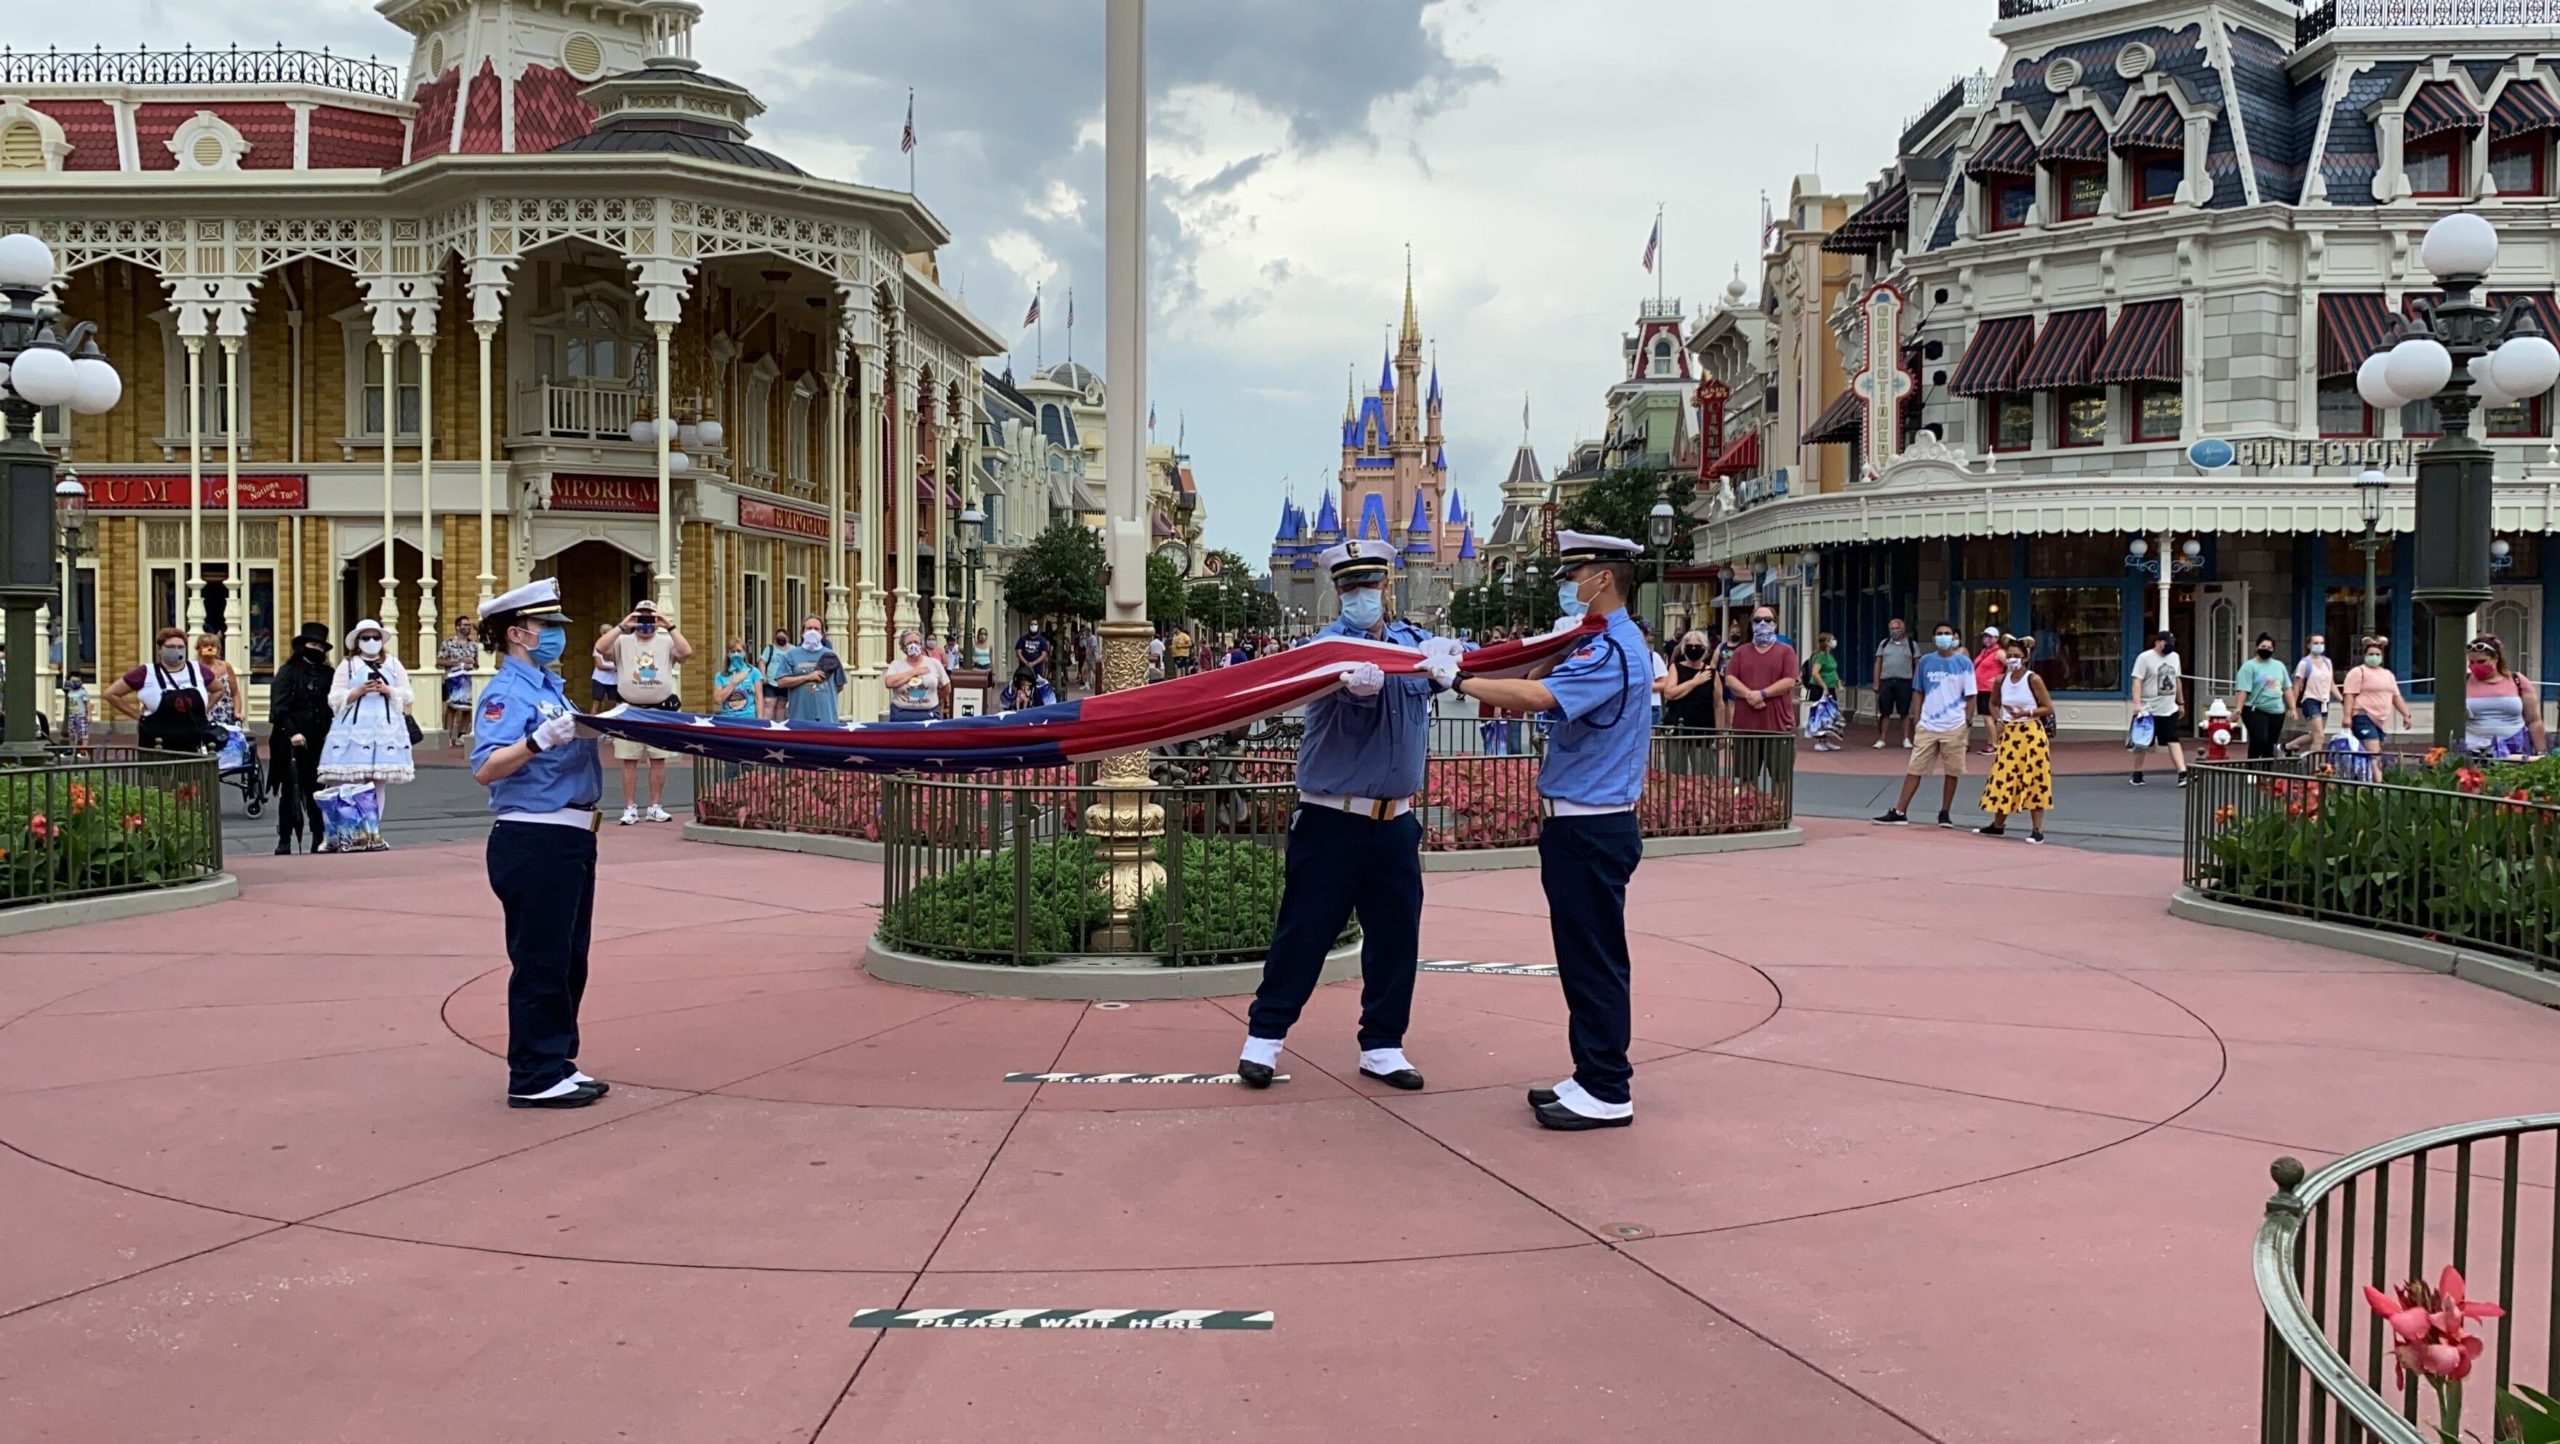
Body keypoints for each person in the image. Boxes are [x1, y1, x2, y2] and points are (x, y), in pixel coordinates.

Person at [1451, 531, 1651, 1132]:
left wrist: (1457, 681)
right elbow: (1543, 671)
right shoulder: (1600, 641)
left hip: (1591, 827)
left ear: (1604, 579)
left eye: (1576, 574)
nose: (1568, 585)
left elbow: (1539, 695)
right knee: (1582, 956)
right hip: (1584, 825)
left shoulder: (1610, 650)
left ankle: (1608, 1088)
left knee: (1594, 960)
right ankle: (1590, 1072)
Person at [1238, 539, 1446, 1095]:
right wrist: (1344, 683)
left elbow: (1455, 665)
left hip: (1394, 821)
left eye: (1370, 585)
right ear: (1338, 592)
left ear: (1387, 587)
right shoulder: (1324, 650)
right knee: (1304, 931)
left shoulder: (1413, 646)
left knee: (1396, 937)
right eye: (1351, 587)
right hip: (1333, 817)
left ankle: (1383, 1044)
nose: (1362, 596)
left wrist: (1451, 664)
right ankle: (1264, 1038)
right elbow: (1317, 685)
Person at [469, 579, 609, 1110]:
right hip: (535, 835)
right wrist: (536, 741)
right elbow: (485, 768)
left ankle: (555, 1061)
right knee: (542, 960)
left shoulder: (550, 687)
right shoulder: (507, 692)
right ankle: (531, 1074)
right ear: (517, 633)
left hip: (570, 836)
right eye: (547, 627)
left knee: (569, 958)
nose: (555, 635)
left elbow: (572, 734)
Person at [1874, 623, 1978, 827]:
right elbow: (1918, 690)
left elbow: (1971, 694)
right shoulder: (1926, 662)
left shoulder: (1963, 663)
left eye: (1947, 634)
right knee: (1915, 767)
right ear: (1934, 638)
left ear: (1955, 637)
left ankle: (1945, 813)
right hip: (1929, 724)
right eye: (1939, 634)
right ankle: (1900, 810)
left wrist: (1967, 720)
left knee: (1952, 771)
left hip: (1954, 724)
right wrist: (1918, 717)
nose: (1944, 637)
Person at [598, 600, 690, 826]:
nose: (646, 622)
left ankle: (655, 806)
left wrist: (668, 625)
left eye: (650, 617)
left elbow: (686, 652)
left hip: (659, 711)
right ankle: (629, 807)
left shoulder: (666, 641)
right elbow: (600, 648)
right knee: (628, 760)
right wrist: (623, 625)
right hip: (630, 710)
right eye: (642, 617)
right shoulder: (623, 641)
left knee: (658, 759)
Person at [319, 619, 417, 797]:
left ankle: (374, 824)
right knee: (354, 780)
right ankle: (356, 823)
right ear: (358, 641)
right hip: (354, 728)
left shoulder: (393, 663)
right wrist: (357, 691)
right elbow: (334, 698)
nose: (371, 641)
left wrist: (388, 690)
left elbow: (408, 695)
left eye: (375, 637)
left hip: (386, 729)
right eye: (366, 638)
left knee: (378, 783)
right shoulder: (348, 665)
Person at [266, 624, 335, 855]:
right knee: (290, 790)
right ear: (301, 647)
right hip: (290, 739)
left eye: (319, 646)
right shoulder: (287, 672)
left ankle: (319, 836)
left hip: (319, 737)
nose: (315, 649)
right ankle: (284, 838)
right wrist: (292, 732)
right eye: (312, 645)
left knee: (317, 789)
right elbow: (279, 706)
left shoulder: (328, 674)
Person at [1976, 639, 2053, 844]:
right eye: (2009, 656)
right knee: (2004, 776)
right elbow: (1993, 703)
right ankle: (1998, 824)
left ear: (2025, 658)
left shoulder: (2033, 679)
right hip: (2010, 734)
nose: (2012, 660)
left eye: (2016, 656)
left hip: (2031, 733)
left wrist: (2026, 712)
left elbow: (2048, 707)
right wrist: (1999, 719)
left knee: (2034, 777)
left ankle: (2037, 830)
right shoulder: (2001, 680)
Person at [105, 627, 220, 754]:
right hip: (157, 743)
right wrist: (137, 716)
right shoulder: (146, 672)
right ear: (160, 650)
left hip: (193, 743)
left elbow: (218, 689)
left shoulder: (197, 669)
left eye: (180, 647)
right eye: (171, 647)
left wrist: (205, 709)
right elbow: (111, 694)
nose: (176, 650)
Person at [2463, 634, 2545, 758]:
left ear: (2495, 658)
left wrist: (2541, 753)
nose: (2476, 666)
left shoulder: (2518, 680)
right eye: (2472, 662)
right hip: (2474, 751)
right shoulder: (2463, 682)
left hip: (2516, 750)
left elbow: (2534, 721)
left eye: (2481, 661)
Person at [1722, 604, 1799, 734]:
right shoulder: (1740, 652)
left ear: (1775, 624)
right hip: (1745, 724)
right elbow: (1730, 678)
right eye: (1757, 620)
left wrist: (1762, 694)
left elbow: (1789, 681)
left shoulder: (1786, 651)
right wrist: (1750, 695)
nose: (1762, 623)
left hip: (1777, 725)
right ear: (1752, 624)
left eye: (1768, 620)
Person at [2129, 630, 2190, 787]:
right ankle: (2137, 772)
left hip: (2168, 708)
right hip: (2148, 708)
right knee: (2142, 743)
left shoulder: (2174, 657)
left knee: (2173, 739)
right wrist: (2137, 704)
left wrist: (2181, 702)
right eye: (2166, 643)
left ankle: (2182, 773)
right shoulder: (2144, 658)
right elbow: (2137, 681)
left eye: (2171, 643)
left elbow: (2177, 680)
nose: (2169, 646)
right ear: (2158, 643)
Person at [2342, 637, 2412, 756]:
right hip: (2363, 716)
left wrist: (2406, 715)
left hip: (2381, 720)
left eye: (2377, 654)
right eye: (2371, 654)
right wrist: (2347, 716)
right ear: (2365, 655)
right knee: (2374, 753)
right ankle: (2377, 775)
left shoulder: (2388, 674)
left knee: (2375, 752)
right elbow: (2349, 695)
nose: (2374, 657)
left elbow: (2396, 697)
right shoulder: (2358, 672)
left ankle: (2368, 773)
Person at [771, 615, 845, 722]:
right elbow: (781, 682)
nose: (812, 631)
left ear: (822, 633)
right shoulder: (791, 655)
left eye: (816, 629)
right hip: (799, 718)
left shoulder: (831, 655)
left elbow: (839, 686)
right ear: (802, 632)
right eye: (809, 628)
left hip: (827, 718)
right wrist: (808, 678)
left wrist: (817, 692)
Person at [2231, 633, 2292, 760]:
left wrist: (2292, 708)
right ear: (2257, 646)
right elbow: (2243, 690)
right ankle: (2252, 767)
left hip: (2277, 710)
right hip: (2255, 709)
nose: (2266, 649)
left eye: (2269, 648)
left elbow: (2287, 688)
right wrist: (2238, 708)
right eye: (2263, 646)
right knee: (2259, 738)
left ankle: (2266, 773)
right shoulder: (2249, 666)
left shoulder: (2279, 666)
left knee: (2271, 743)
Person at [1873, 619, 1919, 749]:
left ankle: (1905, 738)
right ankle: (1882, 738)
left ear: (1903, 629)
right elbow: (1878, 663)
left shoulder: (1911, 644)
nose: (1894, 631)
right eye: (1892, 629)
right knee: (1885, 712)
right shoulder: (1884, 644)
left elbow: (1917, 664)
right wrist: (1876, 682)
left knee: (1904, 712)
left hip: (1904, 681)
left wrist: (1915, 681)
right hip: (1886, 681)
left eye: (1897, 628)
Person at [885, 629, 948, 721]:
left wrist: (932, 697)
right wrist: (914, 672)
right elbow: (889, 682)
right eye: (909, 642)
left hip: (929, 714)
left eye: (916, 642)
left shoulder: (934, 663)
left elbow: (947, 687)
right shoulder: (896, 665)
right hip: (901, 715)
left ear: (921, 644)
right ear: (903, 647)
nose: (913, 645)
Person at [2290, 634, 2336, 754]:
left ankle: (2287, 747)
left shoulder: (2327, 662)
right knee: (2319, 737)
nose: (2319, 646)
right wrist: (2292, 707)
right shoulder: (2304, 663)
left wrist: (2342, 699)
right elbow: (2297, 685)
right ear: (2309, 645)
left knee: (2316, 735)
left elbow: (2331, 683)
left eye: (2321, 643)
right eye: (2316, 643)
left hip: (2325, 700)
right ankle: (2314, 767)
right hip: (2310, 699)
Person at [438, 615, 480, 743]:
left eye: (469, 625)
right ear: (457, 627)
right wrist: (457, 663)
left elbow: (480, 663)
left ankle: (462, 735)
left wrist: (472, 663)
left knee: (468, 708)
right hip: (454, 680)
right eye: (465, 625)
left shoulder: (474, 645)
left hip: (469, 680)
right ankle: (449, 737)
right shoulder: (448, 643)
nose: (468, 627)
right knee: (452, 708)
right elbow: (439, 660)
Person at [1803, 631, 1845, 752]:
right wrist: (1824, 687)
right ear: (1826, 642)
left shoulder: (1829, 656)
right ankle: (1819, 741)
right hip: (1820, 689)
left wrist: (1839, 684)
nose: (1834, 641)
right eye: (1832, 639)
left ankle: (1826, 741)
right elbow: (1815, 673)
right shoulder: (1820, 656)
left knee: (1829, 716)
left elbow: (1833, 671)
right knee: (1820, 715)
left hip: (1830, 688)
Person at [1972, 625, 2006, 755]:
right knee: (1989, 718)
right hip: (1981, 688)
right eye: (1985, 636)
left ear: (1996, 638)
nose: (1986, 639)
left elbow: (2011, 666)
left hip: (1990, 689)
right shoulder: (1984, 652)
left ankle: (1993, 744)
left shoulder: (1999, 652)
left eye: (1989, 636)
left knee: (1989, 718)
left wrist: (2000, 678)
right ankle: (1995, 742)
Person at [195, 634, 240, 726]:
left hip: (226, 714)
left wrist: (237, 712)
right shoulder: (193, 667)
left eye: (213, 646)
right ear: (199, 648)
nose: (210, 648)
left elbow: (235, 693)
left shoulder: (225, 666)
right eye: (206, 646)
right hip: (203, 713)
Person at [713, 639, 763, 720]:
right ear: (728, 654)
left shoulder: (754, 672)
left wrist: (760, 720)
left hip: (748, 718)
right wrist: (733, 682)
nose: (736, 654)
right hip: (728, 719)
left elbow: (759, 698)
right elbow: (718, 700)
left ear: (744, 653)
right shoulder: (720, 676)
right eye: (732, 651)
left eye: (739, 651)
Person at [1016, 621, 1053, 689]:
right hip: (1023, 670)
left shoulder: (1042, 640)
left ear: (1038, 626)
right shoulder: (1022, 639)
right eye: (1032, 624)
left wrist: (1033, 663)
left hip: (1037, 670)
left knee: (1037, 689)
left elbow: (1044, 655)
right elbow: (1018, 653)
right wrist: (1026, 663)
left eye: (1035, 624)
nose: (1033, 626)